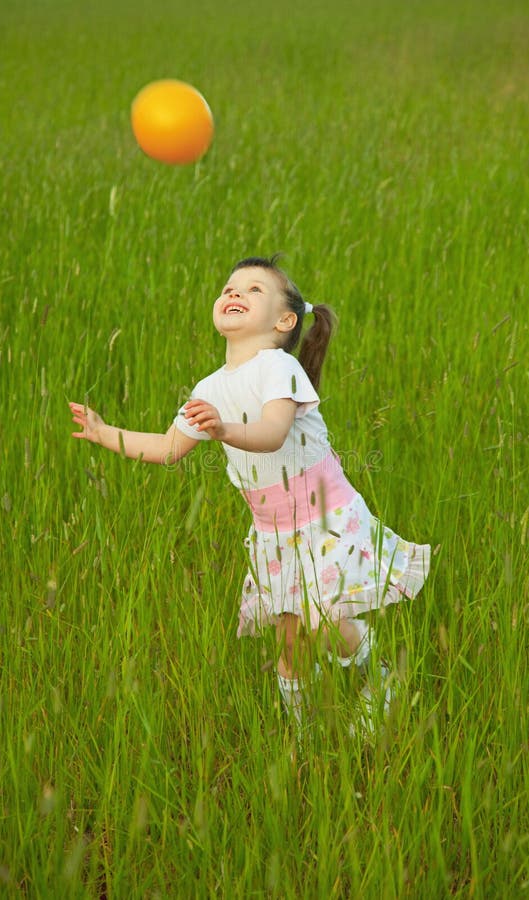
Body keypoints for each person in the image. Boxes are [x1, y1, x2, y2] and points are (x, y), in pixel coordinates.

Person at [69, 256, 430, 733]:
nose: (235, 293)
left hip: (325, 516)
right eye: (229, 287)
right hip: (273, 532)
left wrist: (222, 429)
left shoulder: (278, 367)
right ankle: (306, 735)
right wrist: (104, 432)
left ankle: (379, 678)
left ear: (285, 321)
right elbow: (168, 448)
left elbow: (273, 432)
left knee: (324, 619)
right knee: (289, 644)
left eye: (255, 289)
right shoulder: (208, 387)